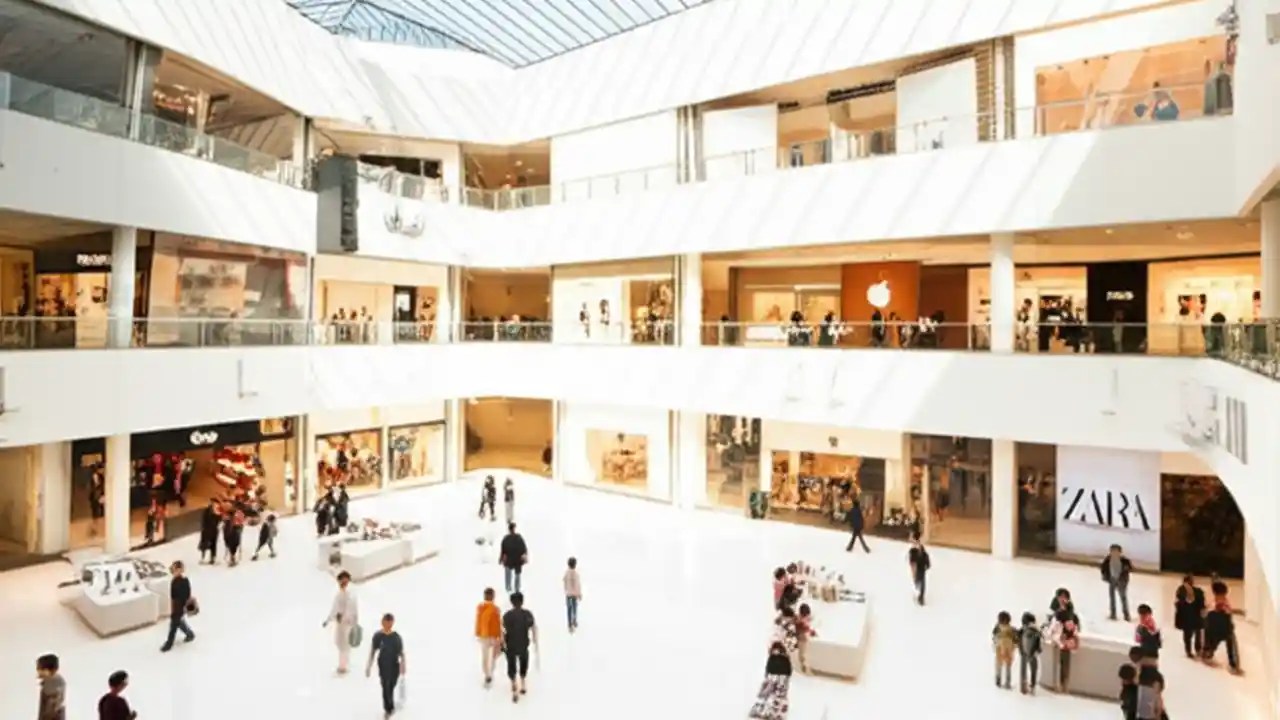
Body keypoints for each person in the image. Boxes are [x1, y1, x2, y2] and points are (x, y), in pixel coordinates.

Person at [366, 613, 406, 718]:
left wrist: (403, 665)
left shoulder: (396, 637)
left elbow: (401, 653)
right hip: (383, 665)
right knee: (385, 686)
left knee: (391, 686)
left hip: (394, 666)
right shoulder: (378, 636)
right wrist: (369, 666)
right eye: (386, 622)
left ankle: (390, 705)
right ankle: (388, 709)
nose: (388, 625)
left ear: (392, 623)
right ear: (382, 622)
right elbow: (373, 651)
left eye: (390, 623)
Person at [501, 591, 538, 703]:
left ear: (511, 602)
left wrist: (502, 643)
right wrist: (535, 640)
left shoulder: (507, 616)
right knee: (523, 663)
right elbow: (533, 628)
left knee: (511, 665)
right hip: (523, 644)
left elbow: (502, 631)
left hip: (510, 645)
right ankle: (523, 684)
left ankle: (514, 685)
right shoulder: (527, 614)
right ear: (522, 601)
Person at [1203, 580, 1242, 674]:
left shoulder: (1224, 603)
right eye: (1221, 595)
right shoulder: (1213, 606)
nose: (1223, 597)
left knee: (1230, 643)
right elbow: (1209, 618)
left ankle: (1233, 664)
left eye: (1224, 595)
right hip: (1216, 629)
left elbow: (1229, 614)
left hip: (1224, 629)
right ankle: (1208, 652)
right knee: (1214, 643)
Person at [324, 570, 360, 674]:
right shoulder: (339, 594)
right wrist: (328, 619)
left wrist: (350, 621)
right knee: (340, 643)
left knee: (345, 645)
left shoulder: (351, 594)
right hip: (340, 623)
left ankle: (343, 667)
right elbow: (335, 608)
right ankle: (344, 663)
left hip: (347, 623)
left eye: (345, 581)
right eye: (341, 581)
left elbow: (352, 609)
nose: (343, 583)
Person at [747, 641, 792, 719]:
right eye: (775, 650)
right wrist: (767, 676)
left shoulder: (784, 658)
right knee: (766, 694)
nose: (776, 652)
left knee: (778, 696)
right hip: (772, 677)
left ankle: (776, 714)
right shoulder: (772, 658)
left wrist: (785, 679)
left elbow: (788, 670)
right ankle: (763, 711)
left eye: (778, 650)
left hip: (781, 678)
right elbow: (768, 668)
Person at [160, 560, 195, 652]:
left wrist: (183, 606)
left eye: (177, 569)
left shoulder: (184, 581)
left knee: (174, 625)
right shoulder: (174, 581)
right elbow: (173, 596)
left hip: (180, 606)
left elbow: (187, 594)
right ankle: (189, 634)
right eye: (174, 570)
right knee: (178, 623)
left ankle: (169, 643)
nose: (175, 572)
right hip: (175, 605)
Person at [475, 587, 502, 687]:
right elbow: (499, 624)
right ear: (493, 596)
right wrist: (500, 636)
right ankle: (490, 672)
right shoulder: (495, 609)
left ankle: (487, 674)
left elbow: (478, 621)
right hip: (493, 636)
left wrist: (478, 633)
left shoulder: (480, 607)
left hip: (484, 636)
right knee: (493, 656)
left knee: (485, 657)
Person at [1173, 575, 1206, 658]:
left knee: (1189, 635)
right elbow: (1202, 606)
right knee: (1195, 633)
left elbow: (1177, 604)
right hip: (1193, 617)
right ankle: (1196, 649)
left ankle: (1191, 650)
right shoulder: (1196, 592)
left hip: (1188, 617)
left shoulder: (1181, 591)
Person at [1049, 609, 1079, 693]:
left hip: (1060, 647)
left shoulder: (1058, 624)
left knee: (1060, 666)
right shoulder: (1070, 624)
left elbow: (1053, 634)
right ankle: (1065, 685)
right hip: (1067, 647)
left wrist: (1059, 643)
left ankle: (1060, 685)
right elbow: (1075, 634)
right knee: (1065, 666)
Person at [1101, 544, 1133, 621]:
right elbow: (1103, 568)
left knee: (1123, 597)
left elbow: (1130, 568)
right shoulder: (1107, 560)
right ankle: (1113, 614)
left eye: (1116, 551)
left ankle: (1126, 615)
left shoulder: (1125, 560)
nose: (1114, 553)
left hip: (1122, 581)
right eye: (1112, 551)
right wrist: (1105, 577)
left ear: (1120, 552)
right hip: (1112, 580)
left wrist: (1126, 569)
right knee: (1112, 598)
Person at [499, 522, 528, 594]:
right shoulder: (510, 538)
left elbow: (523, 548)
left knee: (514, 573)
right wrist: (501, 558)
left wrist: (524, 555)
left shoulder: (515, 538)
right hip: (513, 559)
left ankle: (513, 588)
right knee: (512, 573)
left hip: (514, 559)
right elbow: (503, 550)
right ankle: (511, 587)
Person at [1017, 611, 1042, 694]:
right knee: (1031, 669)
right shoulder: (1034, 631)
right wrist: (1038, 650)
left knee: (1027, 669)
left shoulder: (1024, 630)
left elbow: (1018, 641)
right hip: (1030, 653)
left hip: (1027, 653)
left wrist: (1020, 649)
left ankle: (1027, 686)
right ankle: (1029, 686)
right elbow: (1038, 641)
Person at [992, 611, 1017, 689]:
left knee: (999, 666)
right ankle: (1007, 683)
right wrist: (1014, 646)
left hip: (999, 649)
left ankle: (998, 681)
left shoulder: (997, 628)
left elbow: (994, 638)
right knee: (1008, 667)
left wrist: (995, 644)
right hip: (1008, 649)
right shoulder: (1011, 629)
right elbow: (1015, 639)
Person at [36, 653, 65, 720]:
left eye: (39, 668)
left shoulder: (51, 685)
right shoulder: (57, 682)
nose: (38, 671)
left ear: (48, 670)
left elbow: (49, 712)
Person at [907, 534, 930, 606]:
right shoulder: (914, 551)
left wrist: (926, 566)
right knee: (919, 582)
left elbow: (928, 564)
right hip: (919, 569)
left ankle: (920, 596)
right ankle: (919, 595)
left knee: (921, 583)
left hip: (921, 570)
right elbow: (912, 562)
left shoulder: (923, 554)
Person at [795, 603, 816, 674]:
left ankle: (805, 665)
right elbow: (802, 628)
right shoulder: (799, 621)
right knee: (802, 654)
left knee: (804, 653)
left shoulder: (803, 620)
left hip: (803, 638)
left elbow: (807, 627)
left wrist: (810, 631)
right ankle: (804, 666)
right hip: (801, 638)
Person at [198, 500, 220, 564]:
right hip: (207, 530)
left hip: (214, 531)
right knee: (204, 544)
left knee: (213, 544)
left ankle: (212, 558)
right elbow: (204, 520)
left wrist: (217, 515)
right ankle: (203, 557)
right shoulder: (207, 511)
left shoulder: (217, 511)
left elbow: (219, 521)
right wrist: (203, 528)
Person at [564, 556, 582, 632]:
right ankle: (574, 620)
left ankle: (569, 623)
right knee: (574, 608)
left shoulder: (566, 573)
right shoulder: (576, 574)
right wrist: (579, 594)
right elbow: (577, 585)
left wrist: (566, 590)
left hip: (568, 594)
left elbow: (564, 582)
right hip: (574, 595)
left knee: (569, 608)